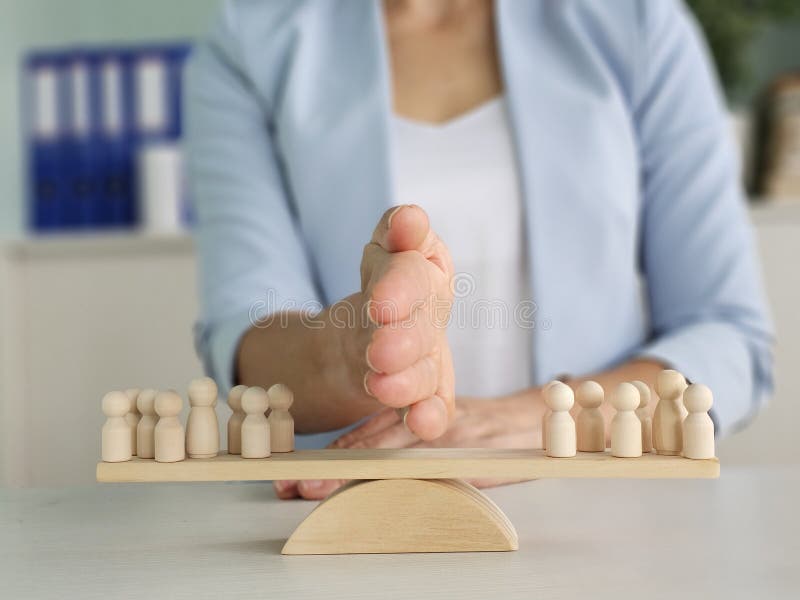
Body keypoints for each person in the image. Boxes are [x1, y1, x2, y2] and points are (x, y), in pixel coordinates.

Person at [185, 0, 773, 499]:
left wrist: (552, 418)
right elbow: (248, 329)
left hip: (604, 518)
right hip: (354, 519)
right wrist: (352, 353)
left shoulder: (637, 23)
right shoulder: (250, 45)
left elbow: (726, 334)